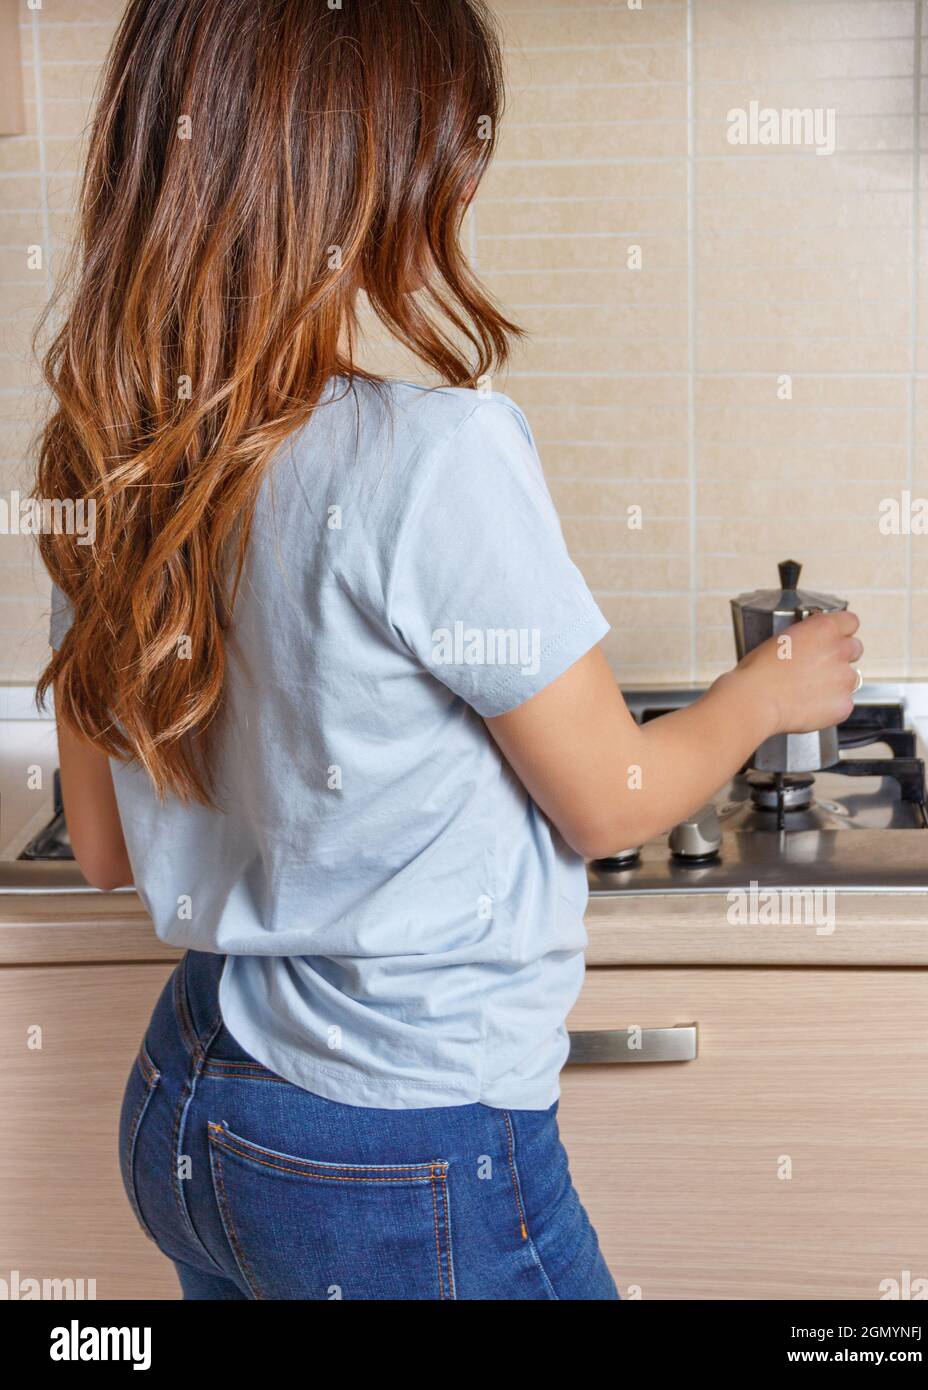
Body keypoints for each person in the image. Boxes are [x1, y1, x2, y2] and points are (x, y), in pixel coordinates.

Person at [35, 0, 862, 1301]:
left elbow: (98, 847)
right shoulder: (434, 459)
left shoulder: (112, 459)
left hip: (192, 1109)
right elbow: (608, 801)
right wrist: (767, 692)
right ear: (363, 173)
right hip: (401, 1153)